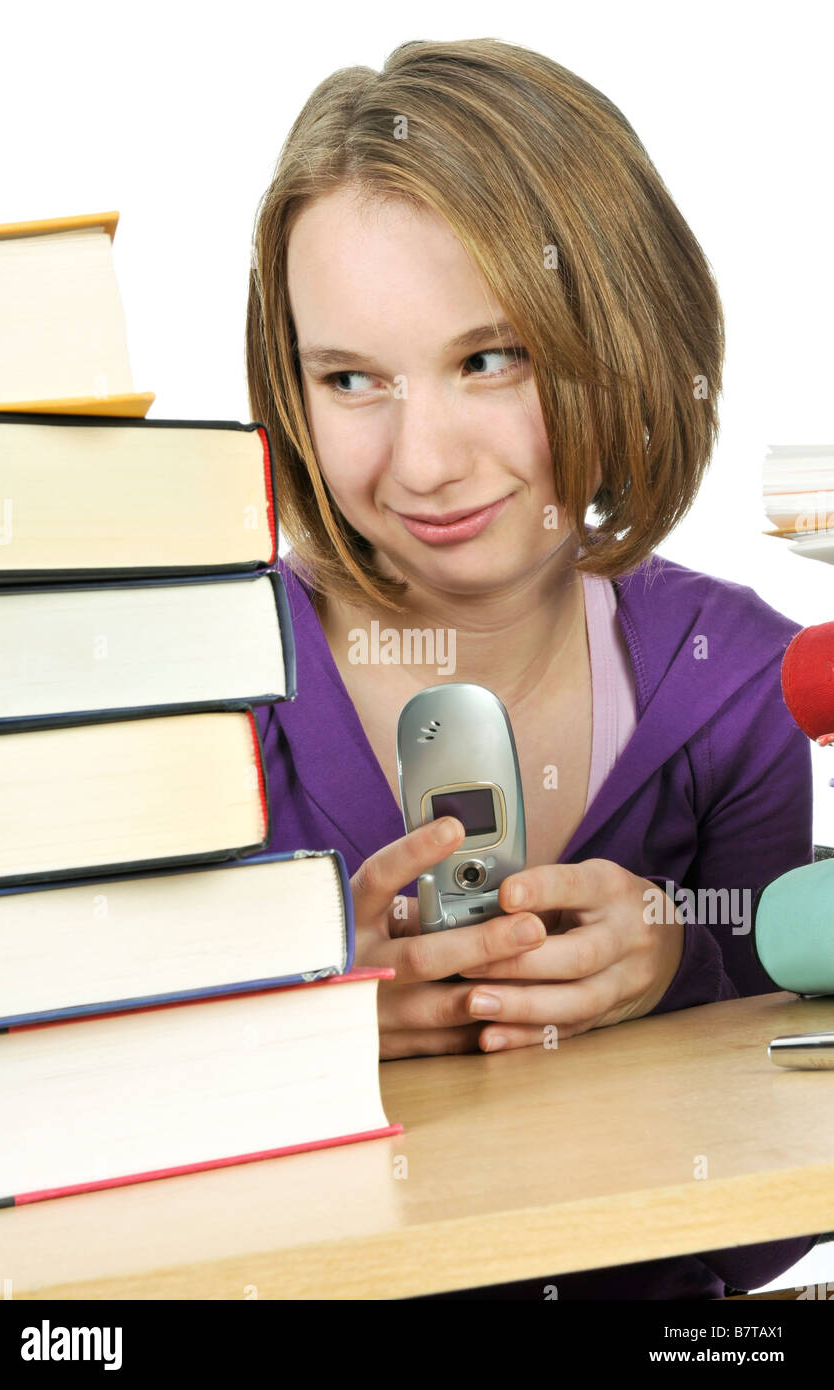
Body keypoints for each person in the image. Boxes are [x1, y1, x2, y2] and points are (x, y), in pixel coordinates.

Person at [245, 37, 819, 1298]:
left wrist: (681, 965)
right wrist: (293, 1023)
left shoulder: (741, 687)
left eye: (487, 359)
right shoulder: (200, 698)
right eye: (351, 379)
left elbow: (765, 1222)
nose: (427, 462)